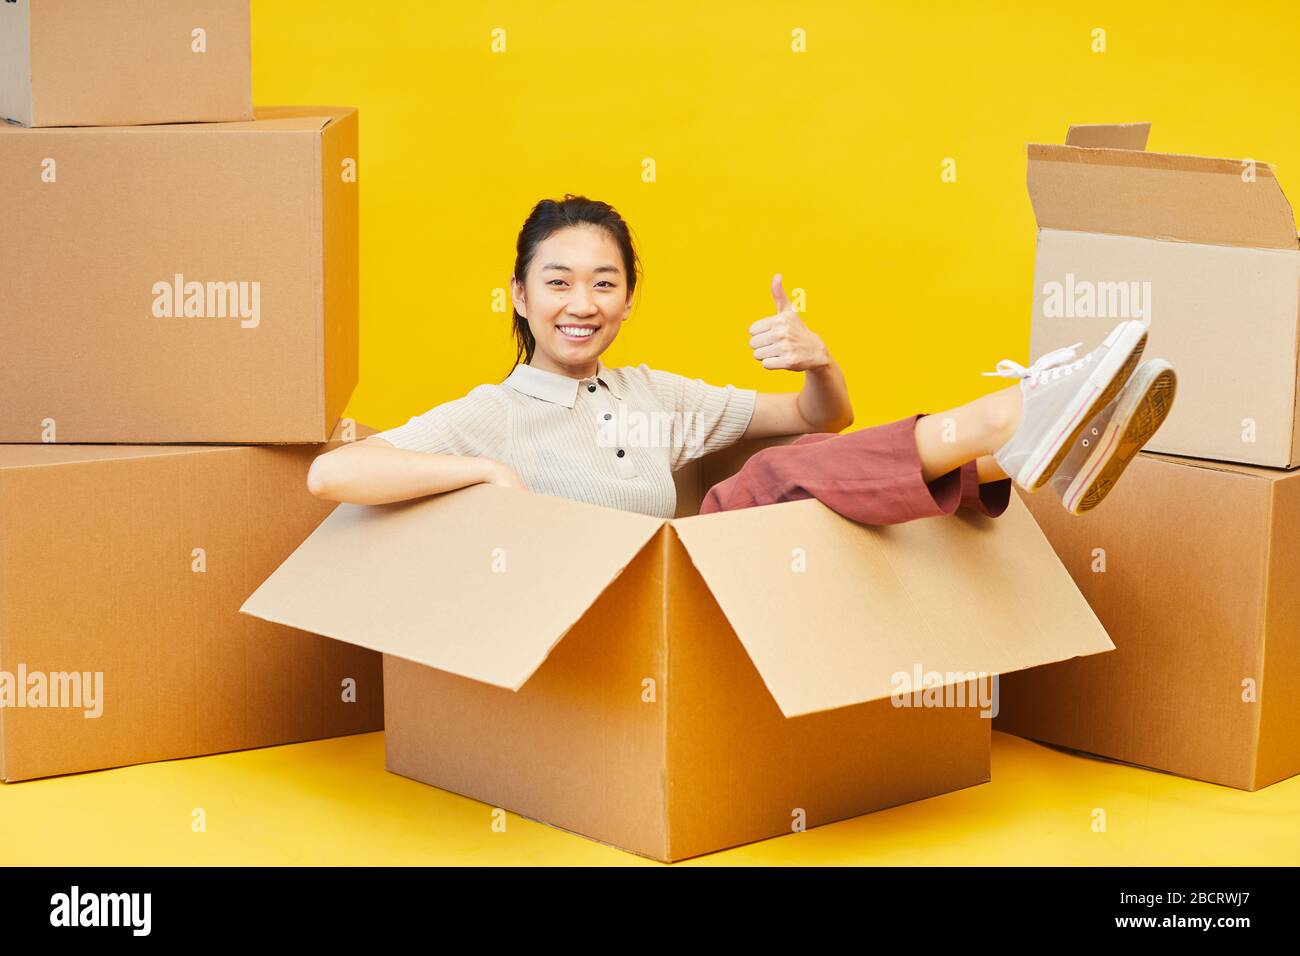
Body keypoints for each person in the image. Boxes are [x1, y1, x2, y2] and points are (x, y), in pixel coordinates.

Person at [306, 194, 1176, 522]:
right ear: (520, 296)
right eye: (559, 282)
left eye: (604, 284)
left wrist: (819, 363)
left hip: (708, 597)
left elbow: (817, 421)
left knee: (790, 462)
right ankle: (1011, 422)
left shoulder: (652, 394)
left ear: (629, 298)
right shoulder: (490, 416)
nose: (582, 305)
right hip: (612, 622)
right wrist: (485, 478)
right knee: (756, 489)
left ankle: (1013, 451)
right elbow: (333, 475)